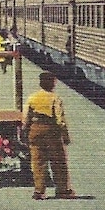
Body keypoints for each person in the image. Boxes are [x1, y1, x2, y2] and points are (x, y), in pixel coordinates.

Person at [22, 71, 76, 200]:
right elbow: (60, 120)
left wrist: (25, 132)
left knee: (37, 161)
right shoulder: (55, 98)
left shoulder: (32, 97)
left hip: (35, 131)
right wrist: (66, 136)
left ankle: (39, 191)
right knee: (58, 161)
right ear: (52, 84)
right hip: (51, 132)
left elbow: (25, 118)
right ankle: (62, 190)